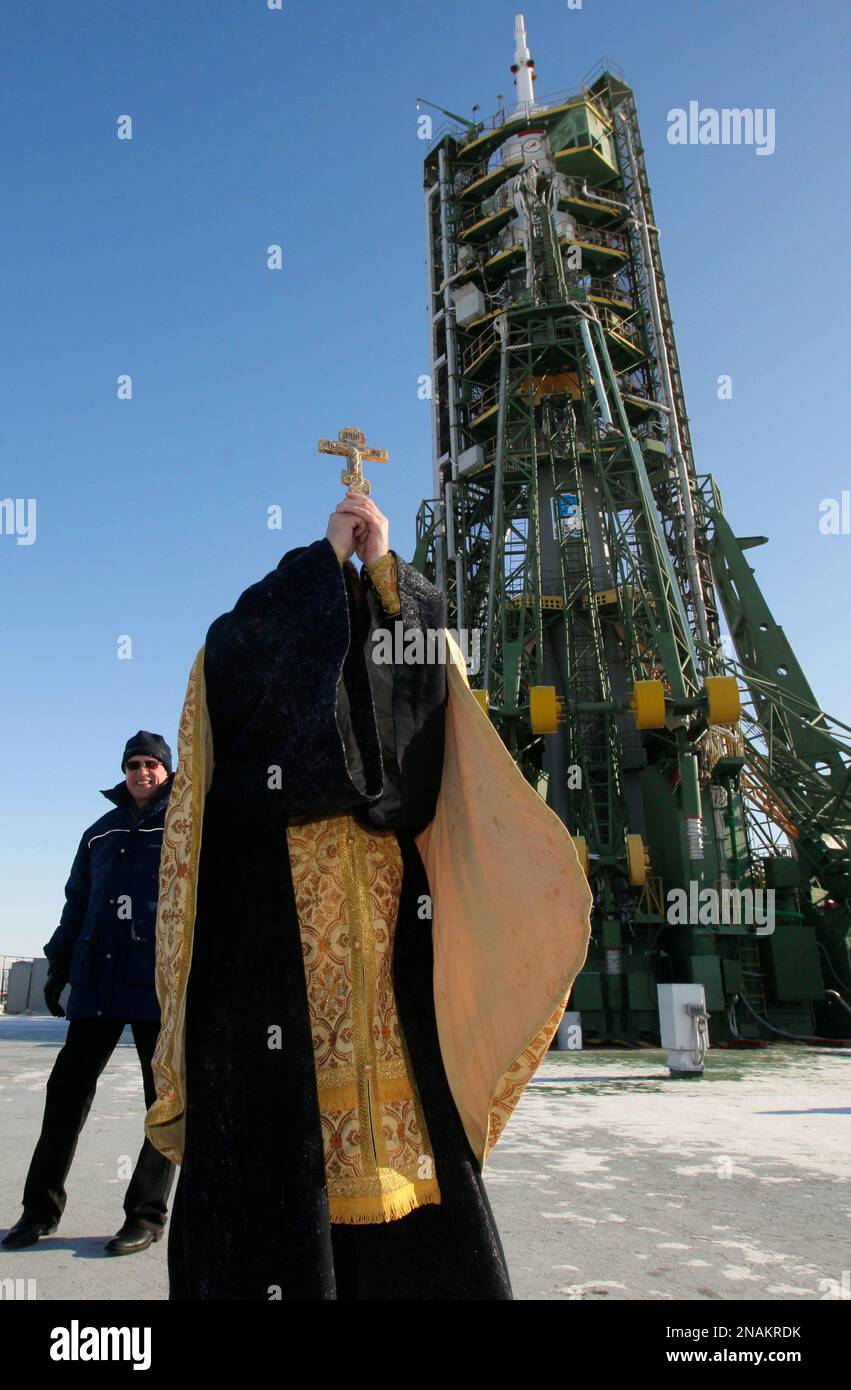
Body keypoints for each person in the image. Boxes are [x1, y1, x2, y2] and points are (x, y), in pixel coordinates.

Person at [146, 490, 592, 1299]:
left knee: (408, 1128)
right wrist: (325, 563)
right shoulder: (263, 628)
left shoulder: (397, 650)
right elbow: (237, 661)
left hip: (389, 914)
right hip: (274, 929)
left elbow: (425, 703)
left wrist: (388, 573)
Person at [2, 733, 178, 1255]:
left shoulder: (185, 826)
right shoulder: (98, 834)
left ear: (167, 771)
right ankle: (39, 1211)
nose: (142, 772)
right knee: (65, 1097)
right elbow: (76, 901)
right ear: (123, 772)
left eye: (152, 764)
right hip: (98, 982)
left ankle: (145, 1216)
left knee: (162, 1103)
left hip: (156, 985)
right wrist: (58, 965)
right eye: (133, 764)